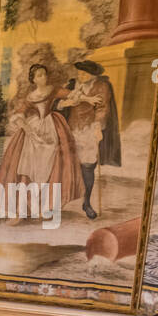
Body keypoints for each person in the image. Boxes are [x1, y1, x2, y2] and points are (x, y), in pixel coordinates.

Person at [0, 63, 83, 222]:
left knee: (52, 168)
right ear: (33, 79)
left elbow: (72, 95)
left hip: (51, 127)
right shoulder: (30, 97)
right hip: (33, 129)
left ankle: (46, 207)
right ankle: (23, 211)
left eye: (44, 74)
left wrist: (86, 98)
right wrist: (28, 129)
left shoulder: (53, 90)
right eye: (39, 75)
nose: (43, 77)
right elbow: (19, 114)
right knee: (27, 168)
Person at [58, 59, 120, 219]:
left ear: (93, 75)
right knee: (65, 166)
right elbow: (58, 102)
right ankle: (60, 201)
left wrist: (98, 127)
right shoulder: (72, 85)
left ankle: (86, 203)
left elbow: (102, 109)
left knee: (87, 166)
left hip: (89, 129)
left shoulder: (101, 86)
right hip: (70, 129)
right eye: (79, 72)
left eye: (84, 73)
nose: (80, 75)